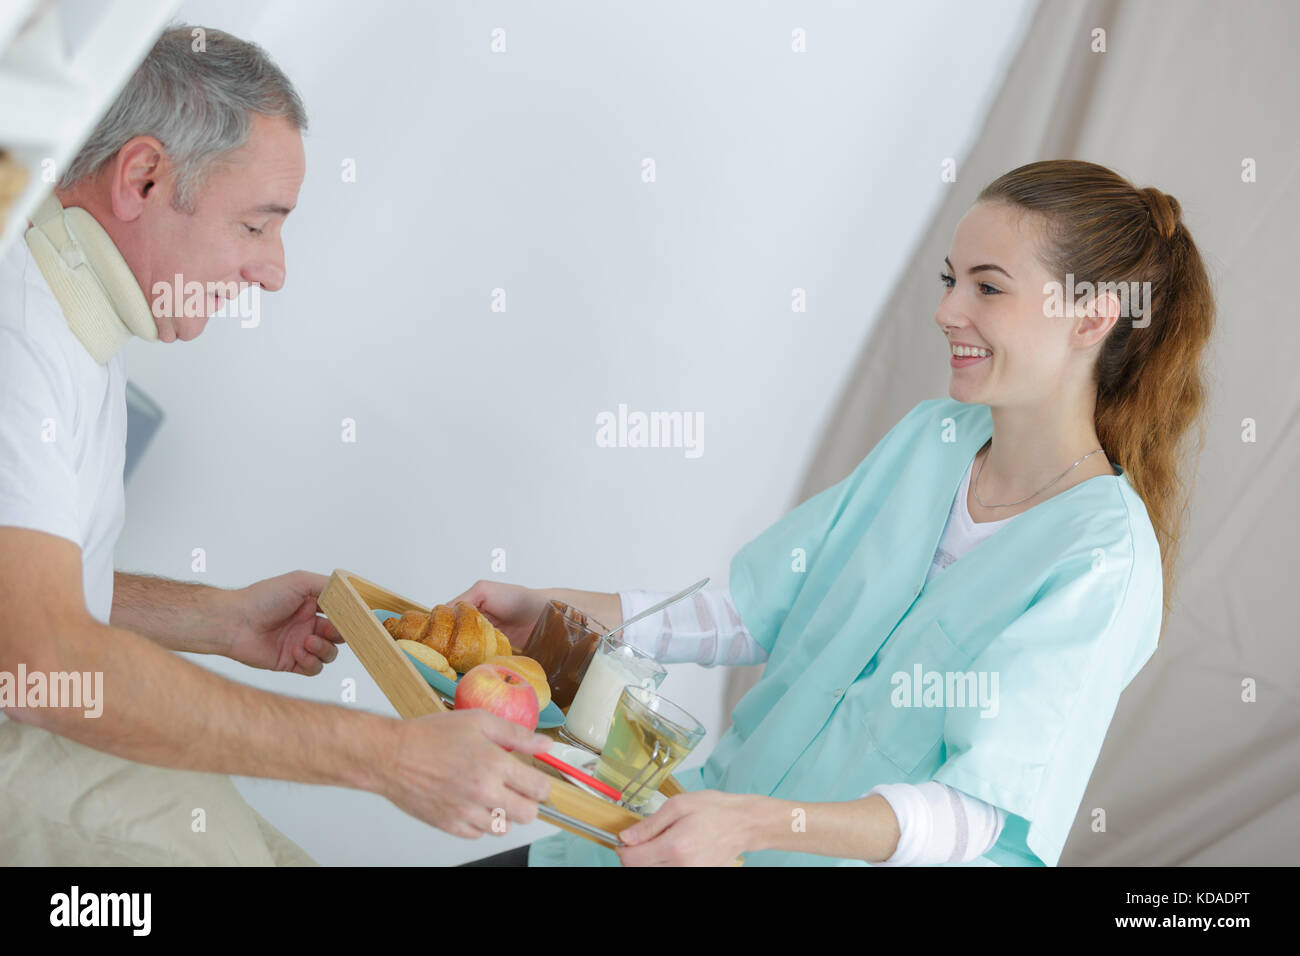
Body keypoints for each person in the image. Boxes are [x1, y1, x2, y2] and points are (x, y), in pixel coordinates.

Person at [454, 160, 1215, 867]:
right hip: (682, 840)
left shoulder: (1101, 561)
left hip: (731, 838)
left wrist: (754, 823)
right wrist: (556, 613)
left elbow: (979, 813)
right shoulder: (929, 439)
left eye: (988, 288)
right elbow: (756, 613)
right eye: (951, 280)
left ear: (1091, 319)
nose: (948, 310)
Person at [0, 25, 552, 865]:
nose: (274, 271)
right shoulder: (20, 334)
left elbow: (32, 589)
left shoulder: (74, 305)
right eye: (257, 227)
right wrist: (389, 757)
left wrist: (215, 617)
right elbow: (38, 658)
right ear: (142, 177)